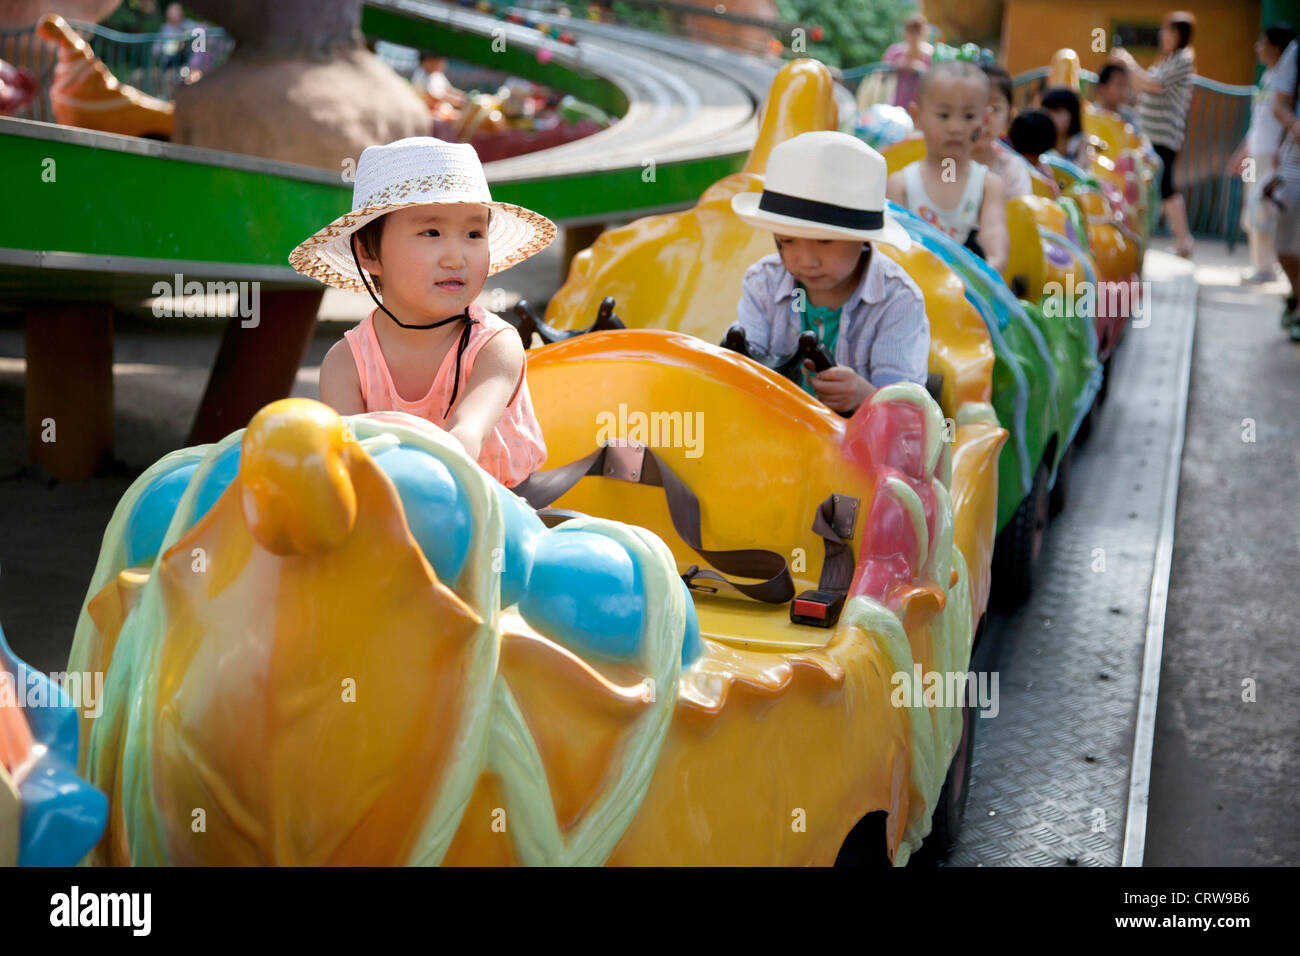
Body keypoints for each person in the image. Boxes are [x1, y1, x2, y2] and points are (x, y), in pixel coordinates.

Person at [290, 137, 555, 487]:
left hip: (504, 513)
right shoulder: (346, 363)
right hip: (388, 515)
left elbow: (465, 437)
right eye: (431, 232)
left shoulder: (495, 347)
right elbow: (348, 461)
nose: (455, 258)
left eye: (474, 234)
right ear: (368, 253)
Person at [730, 132, 929, 413]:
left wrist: (866, 396)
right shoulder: (761, 285)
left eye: (824, 241)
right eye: (787, 241)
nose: (806, 260)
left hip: (859, 449)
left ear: (863, 237)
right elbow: (743, 369)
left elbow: (907, 412)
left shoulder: (898, 302)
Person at [887, 59, 1009, 273]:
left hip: (969, 295)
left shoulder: (988, 185)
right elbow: (891, 251)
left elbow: (994, 235)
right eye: (944, 115)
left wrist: (993, 264)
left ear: (985, 119)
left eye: (969, 116)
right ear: (917, 116)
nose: (956, 127)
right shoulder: (901, 185)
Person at [1110, 11, 1197, 258]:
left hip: (1163, 135)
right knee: (1160, 186)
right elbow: (1142, 84)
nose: (1162, 35)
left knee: (1166, 187)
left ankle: (1184, 241)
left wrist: (1128, 62)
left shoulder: (1183, 59)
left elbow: (1153, 84)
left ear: (1178, 34)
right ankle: (1180, 240)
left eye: (1167, 30)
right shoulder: (1167, 60)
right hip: (1151, 134)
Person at [1228, 24, 1296, 284]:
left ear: (1277, 48)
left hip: (1272, 156)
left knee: (1263, 208)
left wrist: (1281, 151)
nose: (1258, 48)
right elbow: (1259, 122)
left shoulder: (1286, 80)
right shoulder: (1269, 77)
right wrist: (1243, 151)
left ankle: (1267, 267)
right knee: (1253, 208)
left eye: (1263, 43)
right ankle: (1260, 264)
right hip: (1256, 154)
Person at [1267, 36, 1300, 335]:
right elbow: (1278, 102)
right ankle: (1296, 293)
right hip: (1296, 161)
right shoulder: (1297, 51)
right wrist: (1294, 125)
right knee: (1285, 246)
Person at [975, 63, 1034, 199]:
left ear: (1008, 117)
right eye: (974, 106)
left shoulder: (1013, 169)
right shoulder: (946, 161)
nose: (985, 117)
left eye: (995, 108)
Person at [883, 13, 933, 109]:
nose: (914, 36)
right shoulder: (896, 52)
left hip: (921, 104)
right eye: (910, 31)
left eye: (917, 31)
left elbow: (936, 78)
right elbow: (882, 75)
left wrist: (919, 68)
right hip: (898, 102)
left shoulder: (931, 55)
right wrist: (896, 66)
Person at [1041, 86, 1090, 166]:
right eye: (1047, 111)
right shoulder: (1039, 138)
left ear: (1072, 116)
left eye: (1057, 112)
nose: (1051, 117)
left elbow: (1081, 171)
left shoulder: (1079, 142)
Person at [1093, 63, 1139, 130]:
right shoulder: (1091, 114)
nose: (1125, 91)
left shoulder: (1129, 117)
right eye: (1119, 84)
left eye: (1126, 85)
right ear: (1102, 88)